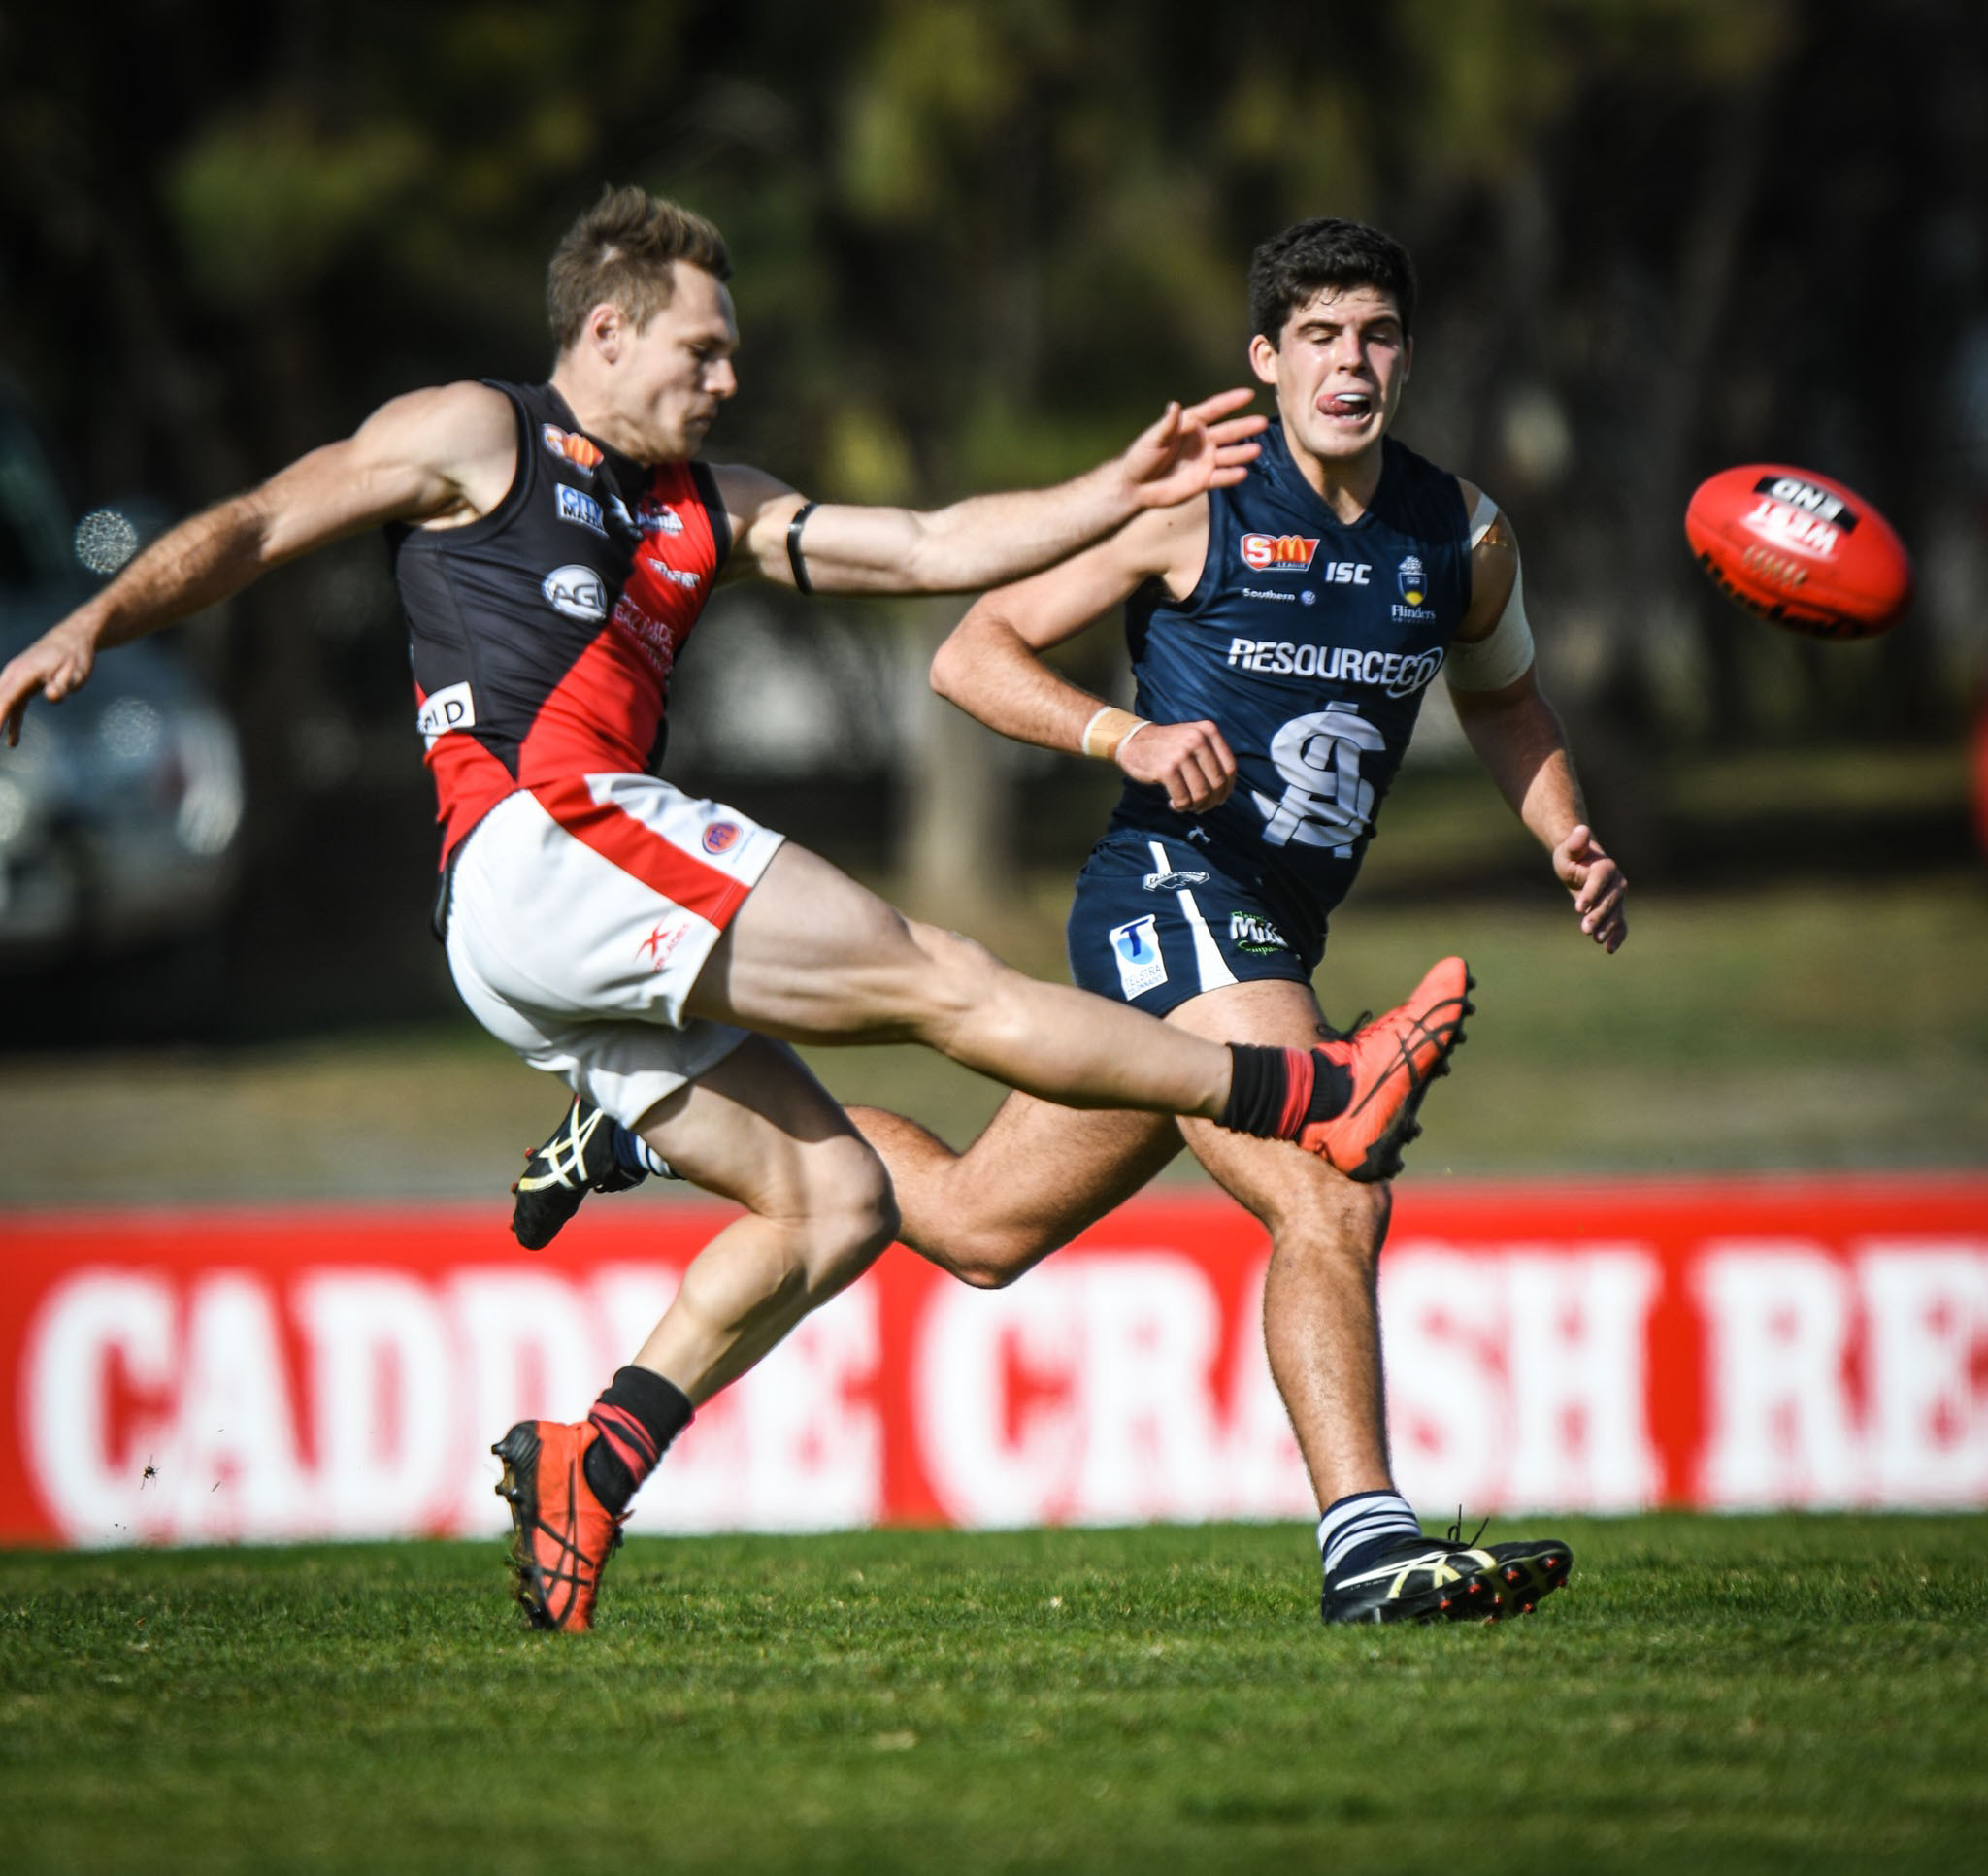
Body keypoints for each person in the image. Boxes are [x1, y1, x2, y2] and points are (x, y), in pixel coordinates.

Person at [0, 189, 1472, 1633]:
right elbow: (261, 520)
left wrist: (1114, 486)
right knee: (939, 978)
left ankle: (598, 1455)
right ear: (608, 328)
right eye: (703, 350)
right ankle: (1317, 1085)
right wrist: (93, 619)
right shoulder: (478, 431)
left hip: (531, 941)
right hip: (549, 834)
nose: (728, 377)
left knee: (839, 1204)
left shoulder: (714, 502)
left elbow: (927, 549)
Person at [527, 216, 1622, 1625]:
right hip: (1169, 894)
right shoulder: (1198, 505)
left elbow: (1505, 695)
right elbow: (969, 652)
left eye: (1380, 335)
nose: (1353, 362)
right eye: (1324, 336)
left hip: (1276, 932)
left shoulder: (1457, 535)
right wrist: (1124, 737)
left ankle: (654, 1118)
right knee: (1328, 1182)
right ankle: (1370, 1542)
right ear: (1267, 359)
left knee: (984, 1225)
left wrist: (1564, 831)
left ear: (1406, 356)